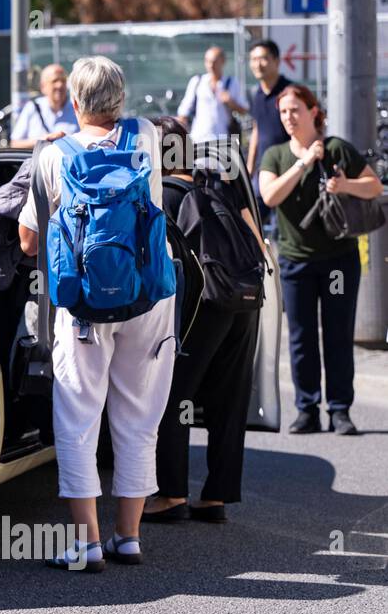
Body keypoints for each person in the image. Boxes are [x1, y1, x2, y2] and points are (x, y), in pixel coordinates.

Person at [18, 56, 176, 571]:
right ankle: (127, 537)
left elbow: (26, 241)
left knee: (78, 418)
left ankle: (85, 544)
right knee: (138, 417)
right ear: (122, 99)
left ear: (74, 101)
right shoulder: (148, 136)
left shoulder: (51, 156)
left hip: (82, 302)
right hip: (147, 297)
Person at [147, 117, 266, 524]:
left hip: (202, 308)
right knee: (228, 400)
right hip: (243, 303)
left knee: (173, 395)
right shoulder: (213, 187)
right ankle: (216, 496)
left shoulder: (162, 194)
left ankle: (171, 494)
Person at [259, 84, 381, 436]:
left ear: (313, 111)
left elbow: (373, 187)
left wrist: (345, 187)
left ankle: (340, 410)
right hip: (296, 262)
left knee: (338, 335)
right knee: (300, 338)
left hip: (337, 262)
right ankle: (307, 409)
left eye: (295, 110)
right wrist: (303, 162)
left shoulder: (337, 148)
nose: (288, 117)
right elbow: (269, 196)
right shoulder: (276, 154)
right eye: (283, 112)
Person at [245, 39, 292, 230]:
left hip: (287, 170)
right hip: (262, 171)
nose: (258, 64)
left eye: (263, 58)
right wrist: (249, 166)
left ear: (277, 61)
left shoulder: (289, 93)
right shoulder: (256, 94)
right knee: (252, 223)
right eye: (254, 59)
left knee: (285, 226)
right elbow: (257, 129)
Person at [177, 46, 248, 144]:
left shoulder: (232, 82)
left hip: (223, 139)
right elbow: (183, 112)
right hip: (198, 138)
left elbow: (244, 110)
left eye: (214, 62)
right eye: (208, 61)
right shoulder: (197, 81)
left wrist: (231, 102)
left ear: (223, 61)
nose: (211, 65)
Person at [9, 63, 79, 148]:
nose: (60, 85)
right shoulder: (32, 107)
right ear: (43, 86)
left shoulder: (77, 108)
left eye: (63, 81)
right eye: (55, 81)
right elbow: (15, 143)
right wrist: (43, 141)